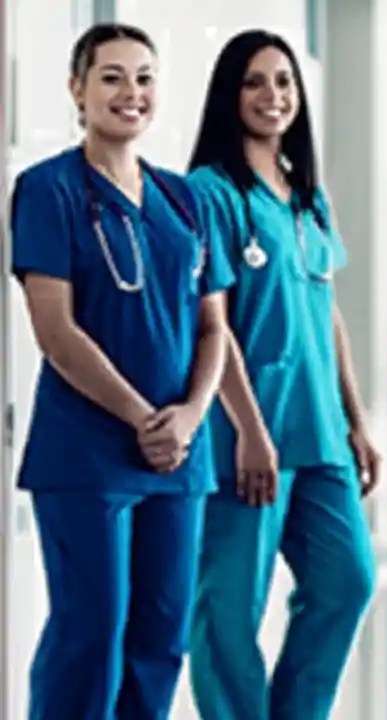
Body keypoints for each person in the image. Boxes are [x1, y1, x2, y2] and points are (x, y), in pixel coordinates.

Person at [7, 23, 230, 719]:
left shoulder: (186, 200)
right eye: (111, 77)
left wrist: (189, 417)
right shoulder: (48, 190)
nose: (130, 92)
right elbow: (56, 331)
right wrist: (142, 417)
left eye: (143, 77)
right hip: (88, 452)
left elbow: (213, 326)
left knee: (161, 639)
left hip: (179, 457)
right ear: (77, 89)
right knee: (90, 635)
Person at [183, 29, 379, 720]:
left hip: (318, 429)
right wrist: (248, 429)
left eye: (284, 82)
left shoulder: (306, 199)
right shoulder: (209, 193)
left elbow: (326, 315)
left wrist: (356, 421)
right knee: (229, 607)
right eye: (255, 82)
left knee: (348, 580)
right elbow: (215, 323)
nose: (273, 96)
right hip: (248, 432)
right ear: (229, 96)